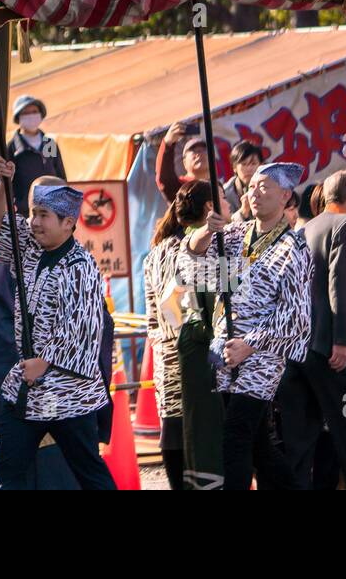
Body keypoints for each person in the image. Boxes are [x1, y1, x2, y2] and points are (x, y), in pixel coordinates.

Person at [0, 159, 116, 490]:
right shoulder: (29, 246)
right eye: (33, 213)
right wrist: (3, 183)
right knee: (7, 472)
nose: (34, 222)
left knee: (89, 472)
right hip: (24, 389)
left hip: (68, 392)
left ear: (68, 222)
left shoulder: (80, 267)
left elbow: (81, 330)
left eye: (43, 215)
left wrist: (45, 362)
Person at [184, 161, 312, 491]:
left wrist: (249, 345)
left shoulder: (294, 248)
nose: (255, 193)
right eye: (252, 186)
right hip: (227, 349)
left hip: (263, 353)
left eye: (264, 187)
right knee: (259, 445)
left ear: (285, 197)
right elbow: (194, 261)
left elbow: (294, 317)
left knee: (236, 435)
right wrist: (206, 230)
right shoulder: (235, 234)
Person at [276, 169, 346, 489]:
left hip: (298, 353)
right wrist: (340, 341)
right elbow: (342, 284)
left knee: (299, 443)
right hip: (332, 354)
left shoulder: (304, 228)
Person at [145, 181, 214, 490]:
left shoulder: (154, 253)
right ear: (210, 209)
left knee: (171, 428)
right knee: (201, 436)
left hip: (164, 356)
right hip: (197, 354)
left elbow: (151, 317)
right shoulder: (202, 248)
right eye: (221, 200)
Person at [7, 95, 66, 215]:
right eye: (26, 113)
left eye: (34, 111)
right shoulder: (12, 148)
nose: (31, 116)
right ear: (19, 117)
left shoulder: (49, 144)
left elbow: (59, 175)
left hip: (53, 208)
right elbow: (8, 184)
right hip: (25, 212)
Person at [156, 121, 211, 207]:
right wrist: (167, 144)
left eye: (203, 150)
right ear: (184, 163)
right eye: (194, 151)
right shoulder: (181, 189)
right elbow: (165, 179)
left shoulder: (219, 188)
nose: (199, 154)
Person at [224, 140, 264, 217]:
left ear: (261, 165)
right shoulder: (225, 194)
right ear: (234, 167)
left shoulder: (270, 189)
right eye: (244, 164)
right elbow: (224, 225)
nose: (249, 168)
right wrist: (243, 212)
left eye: (253, 163)